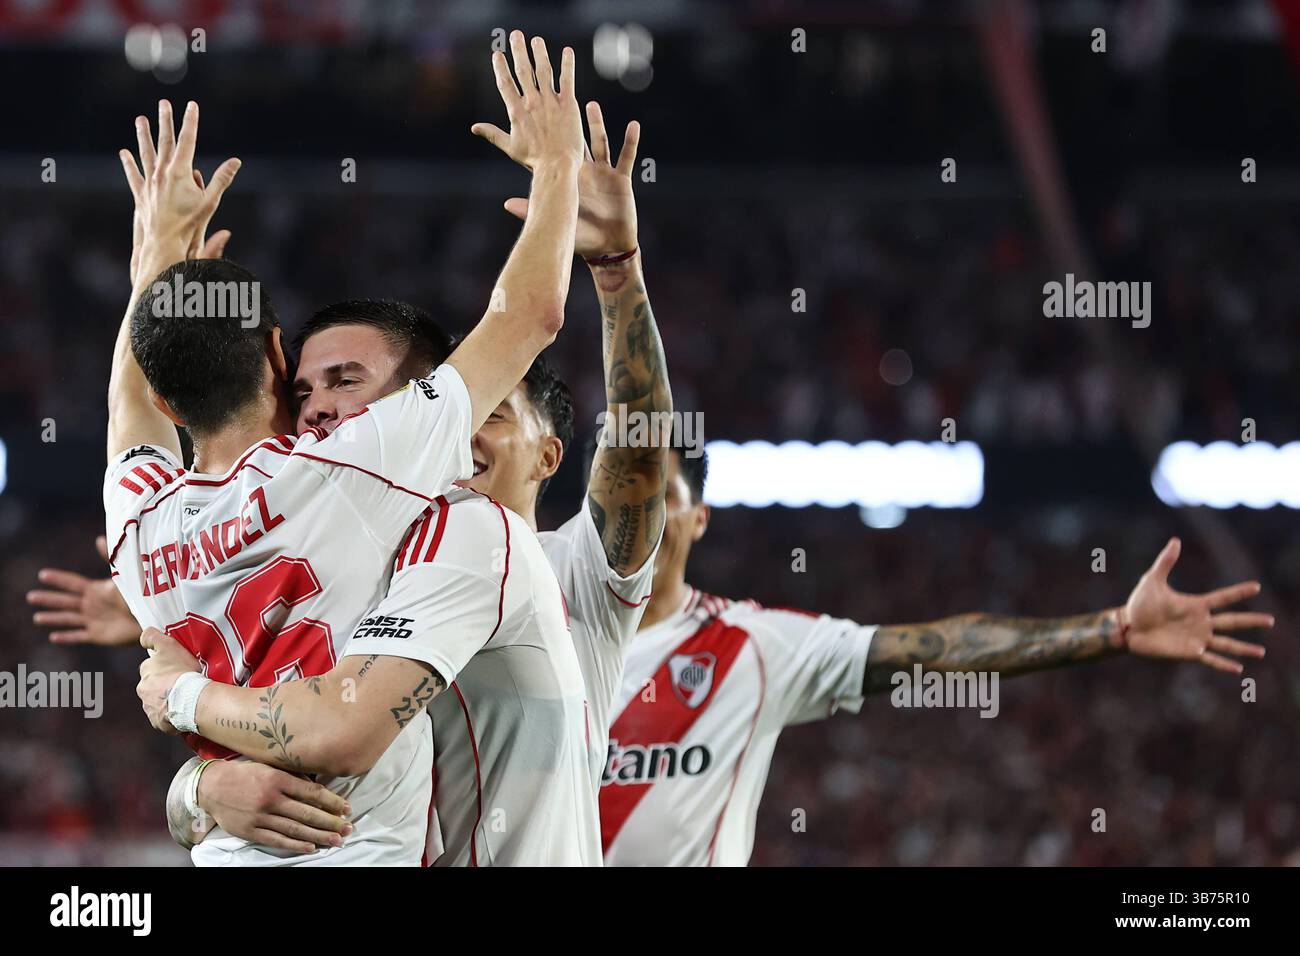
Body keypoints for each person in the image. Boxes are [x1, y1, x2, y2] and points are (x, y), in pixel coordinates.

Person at [115, 31, 596, 866]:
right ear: (273, 356)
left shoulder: (136, 526)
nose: (324, 410)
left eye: (347, 383)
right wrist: (559, 168)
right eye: (306, 389)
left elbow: (130, 408)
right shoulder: (346, 471)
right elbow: (528, 318)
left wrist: (156, 263)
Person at [596, 446, 1274, 865]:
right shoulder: (549, 627)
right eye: (620, 489)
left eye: (662, 495)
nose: (637, 510)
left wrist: (1114, 627)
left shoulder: (756, 645)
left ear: (700, 517)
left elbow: (943, 646)